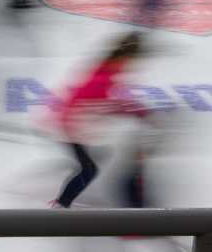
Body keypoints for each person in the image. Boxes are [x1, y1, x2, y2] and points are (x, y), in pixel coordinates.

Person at [50, 34, 146, 208]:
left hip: (74, 125)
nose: (128, 67)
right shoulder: (105, 77)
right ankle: (61, 203)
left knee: (96, 159)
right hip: (70, 127)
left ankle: (67, 194)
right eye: (129, 61)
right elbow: (111, 103)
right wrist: (135, 110)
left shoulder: (106, 71)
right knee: (89, 170)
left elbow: (110, 102)